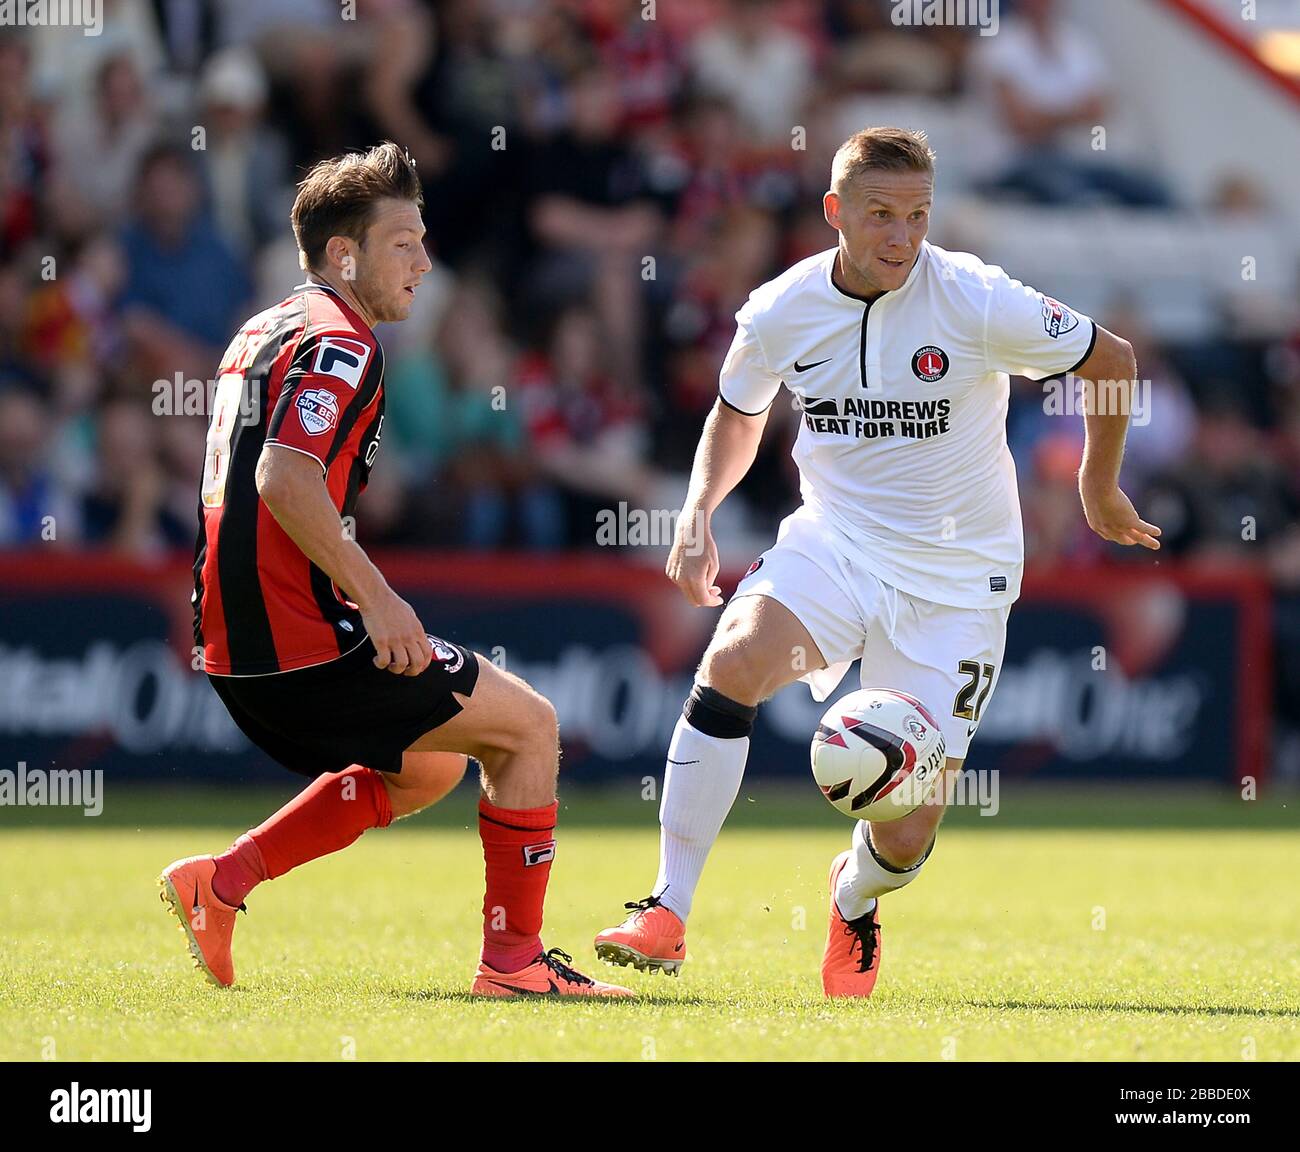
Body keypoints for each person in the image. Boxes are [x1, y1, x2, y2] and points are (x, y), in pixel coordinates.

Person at [595, 126, 1160, 997]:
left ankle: (853, 899)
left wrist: (1097, 484)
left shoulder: (972, 297)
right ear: (835, 213)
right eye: (882, 215)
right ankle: (666, 909)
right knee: (736, 658)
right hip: (838, 542)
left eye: (919, 216)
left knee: (906, 831)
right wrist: (699, 509)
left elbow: (1111, 359)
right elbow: (737, 414)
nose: (903, 237)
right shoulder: (781, 309)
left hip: (958, 584)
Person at [160, 142, 630, 999]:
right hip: (304, 642)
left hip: (235, 649)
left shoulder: (263, 329)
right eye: (404, 243)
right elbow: (284, 476)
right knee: (530, 728)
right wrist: (377, 599)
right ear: (346, 254)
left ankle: (218, 885)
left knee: (430, 767)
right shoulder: (343, 343)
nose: (424, 262)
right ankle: (514, 965)